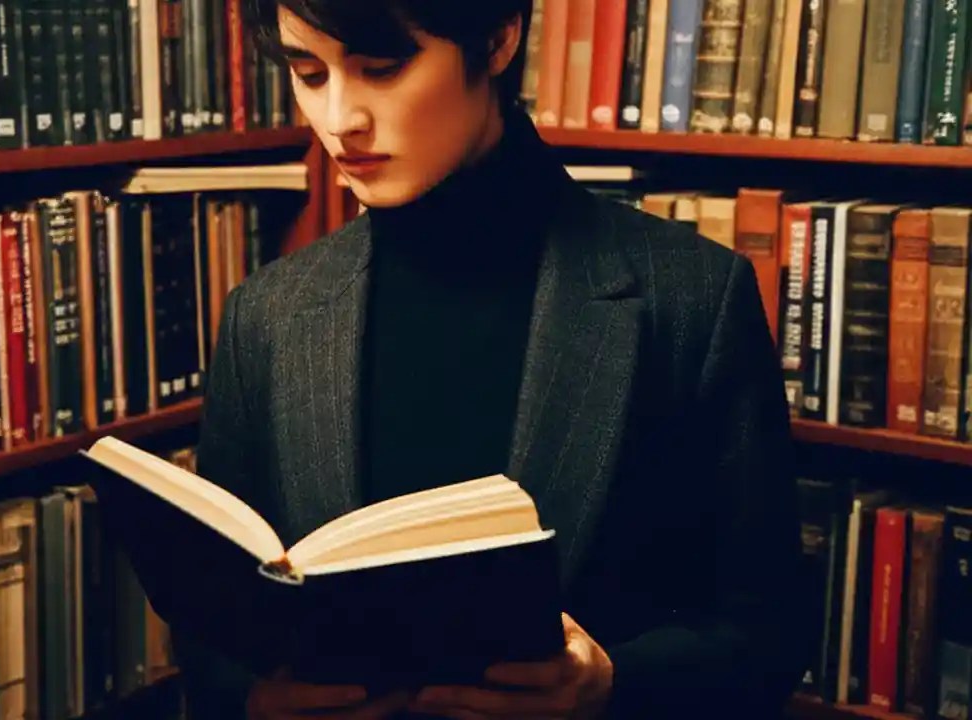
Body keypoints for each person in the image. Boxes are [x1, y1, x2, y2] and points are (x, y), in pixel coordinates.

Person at [174, 0, 809, 718]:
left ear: (500, 37)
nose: (339, 118)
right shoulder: (267, 312)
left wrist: (610, 685)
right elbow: (211, 625)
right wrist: (257, 701)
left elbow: (770, 634)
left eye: (382, 68)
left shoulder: (692, 298)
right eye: (309, 72)